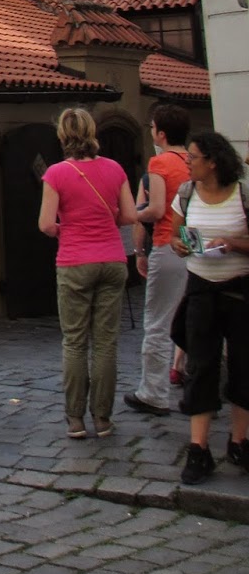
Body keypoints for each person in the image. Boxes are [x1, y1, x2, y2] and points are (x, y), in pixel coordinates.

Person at [38, 107, 136, 439]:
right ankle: (103, 418)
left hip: (75, 261)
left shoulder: (56, 173)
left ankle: (76, 418)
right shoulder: (115, 169)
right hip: (112, 260)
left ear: (63, 136)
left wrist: (67, 228)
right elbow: (129, 216)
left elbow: (46, 224)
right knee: (106, 343)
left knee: (75, 342)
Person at [168, 130, 249, 485]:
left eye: (194, 158)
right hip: (201, 287)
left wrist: (231, 243)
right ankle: (199, 448)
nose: (188, 163)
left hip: (240, 289)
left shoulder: (243, 195)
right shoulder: (186, 195)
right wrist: (180, 246)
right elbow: (175, 234)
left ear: (213, 161)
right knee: (201, 365)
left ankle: (240, 440)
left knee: (244, 364)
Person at [124, 104, 191, 417]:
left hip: (167, 242)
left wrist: (125, 215)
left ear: (161, 133)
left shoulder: (160, 161)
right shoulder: (195, 160)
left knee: (157, 321)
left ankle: (153, 392)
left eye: (152, 127)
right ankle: (196, 387)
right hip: (196, 245)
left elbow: (157, 208)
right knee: (193, 319)